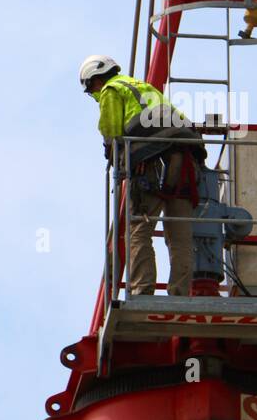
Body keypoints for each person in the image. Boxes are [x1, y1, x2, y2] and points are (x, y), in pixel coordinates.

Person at [79, 56, 202, 297]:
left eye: (92, 86)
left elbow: (111, 129)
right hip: (186, 163)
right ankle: (180, 294)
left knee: (139, 229)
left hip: (150, 162)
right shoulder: (144, 87)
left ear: (97, 78)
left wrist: (112, 152)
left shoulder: (111, 89)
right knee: (180, 235)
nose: (94, 91)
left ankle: (141, 291)